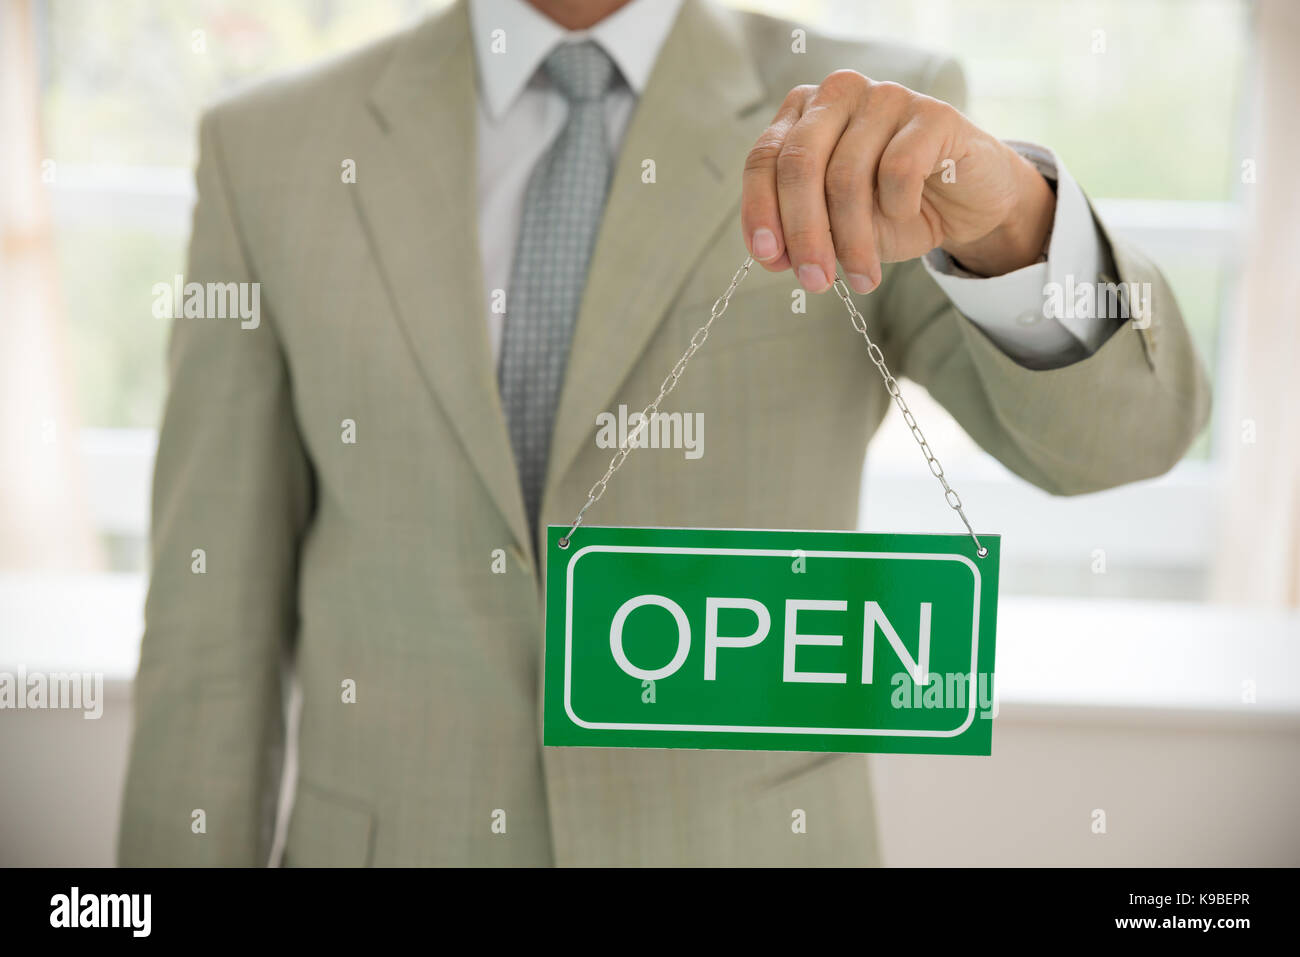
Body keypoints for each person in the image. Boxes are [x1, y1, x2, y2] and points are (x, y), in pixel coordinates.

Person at [119, 0, 1210, 865]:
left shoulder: (872, 123)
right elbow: (210, 628)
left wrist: (1018, 224)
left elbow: (1117, 446)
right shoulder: (270, 147)